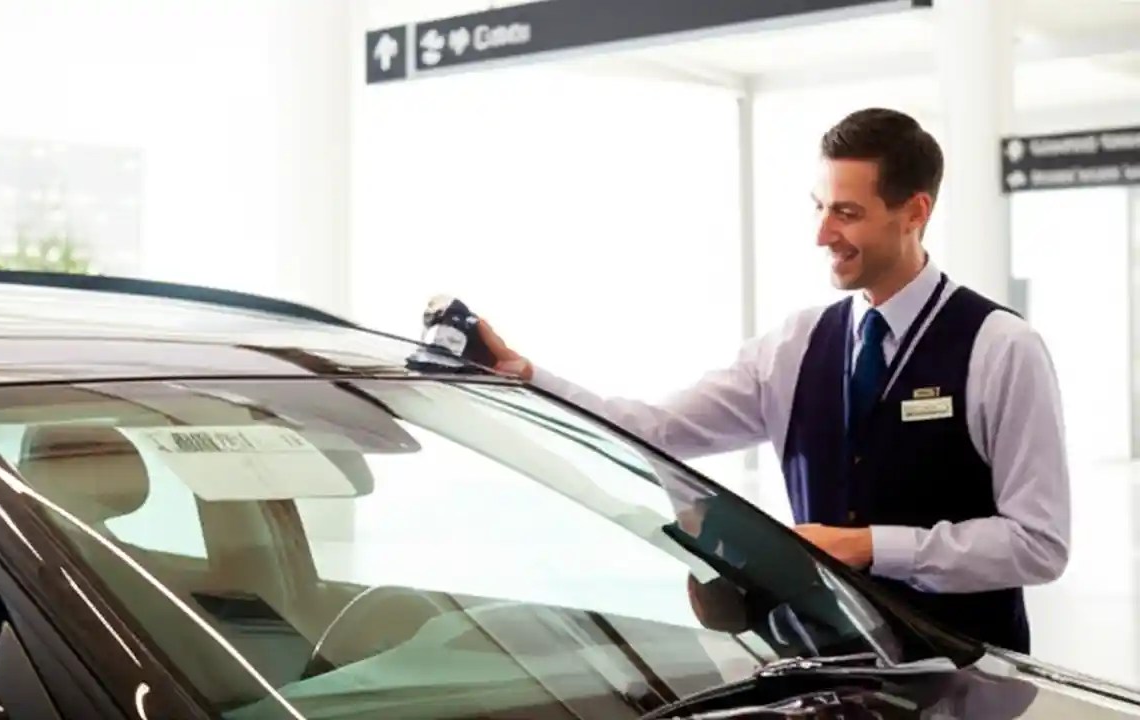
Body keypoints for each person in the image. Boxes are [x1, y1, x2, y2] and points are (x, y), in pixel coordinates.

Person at [457, 107, 1070, 654]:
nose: (822, 234)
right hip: (830, 674)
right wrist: (525, 376)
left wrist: (871, 546)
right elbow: (657, 430)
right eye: (820, 206)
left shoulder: (1001, 348)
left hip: (973, 678)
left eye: (847, 213)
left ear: (915, 212)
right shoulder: (795, 346)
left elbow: (1039, 544)